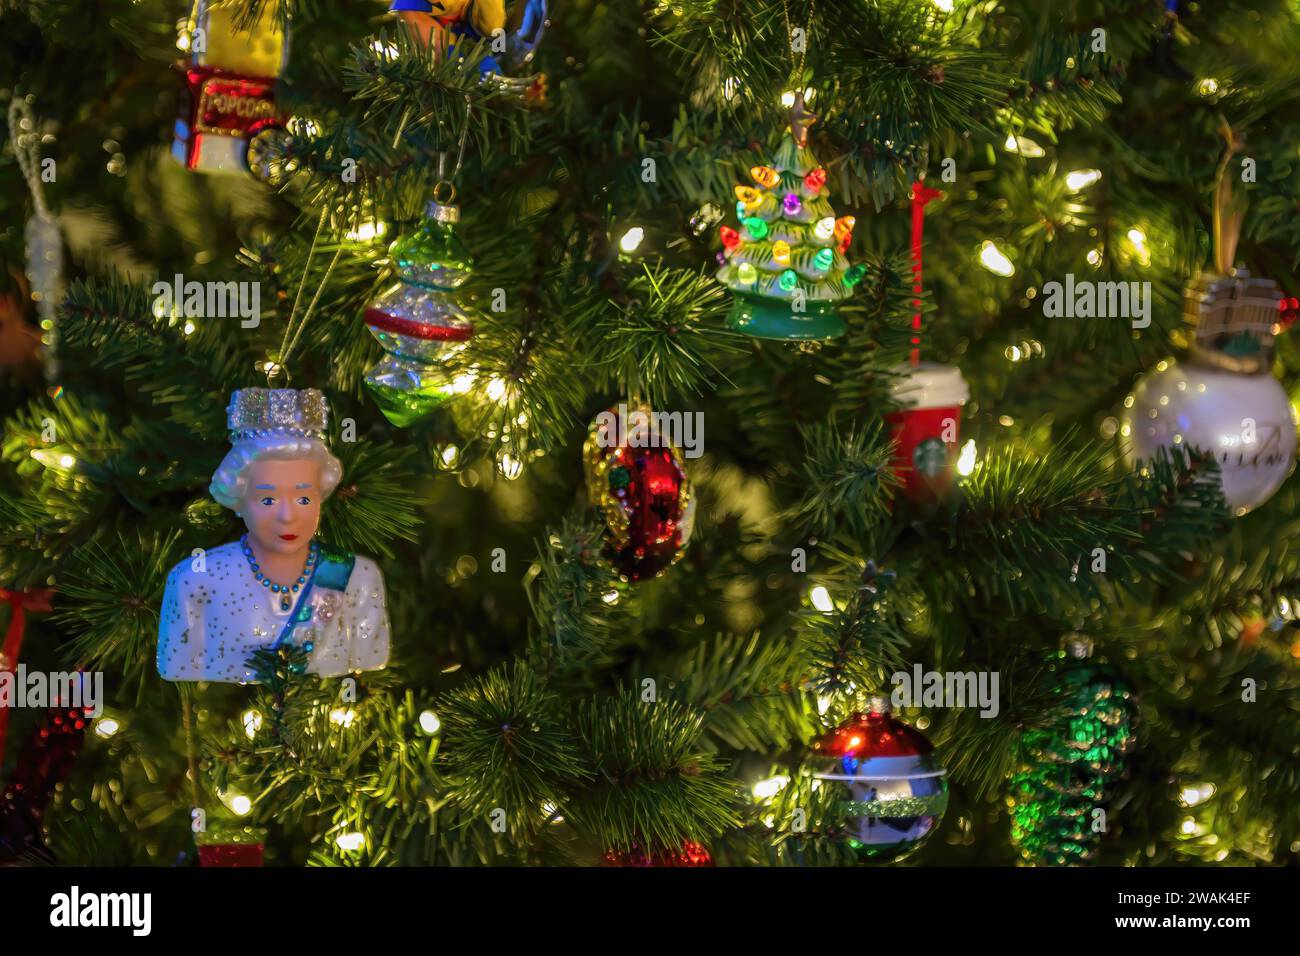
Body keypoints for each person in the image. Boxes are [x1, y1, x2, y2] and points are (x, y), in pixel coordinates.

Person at [157, 388, 391, 682]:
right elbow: (176, 668)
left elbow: (370, 668)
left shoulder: (359, 577)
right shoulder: (194, 581)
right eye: (267, 500)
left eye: (304, 499)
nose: (287, 516)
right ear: (239, 499)